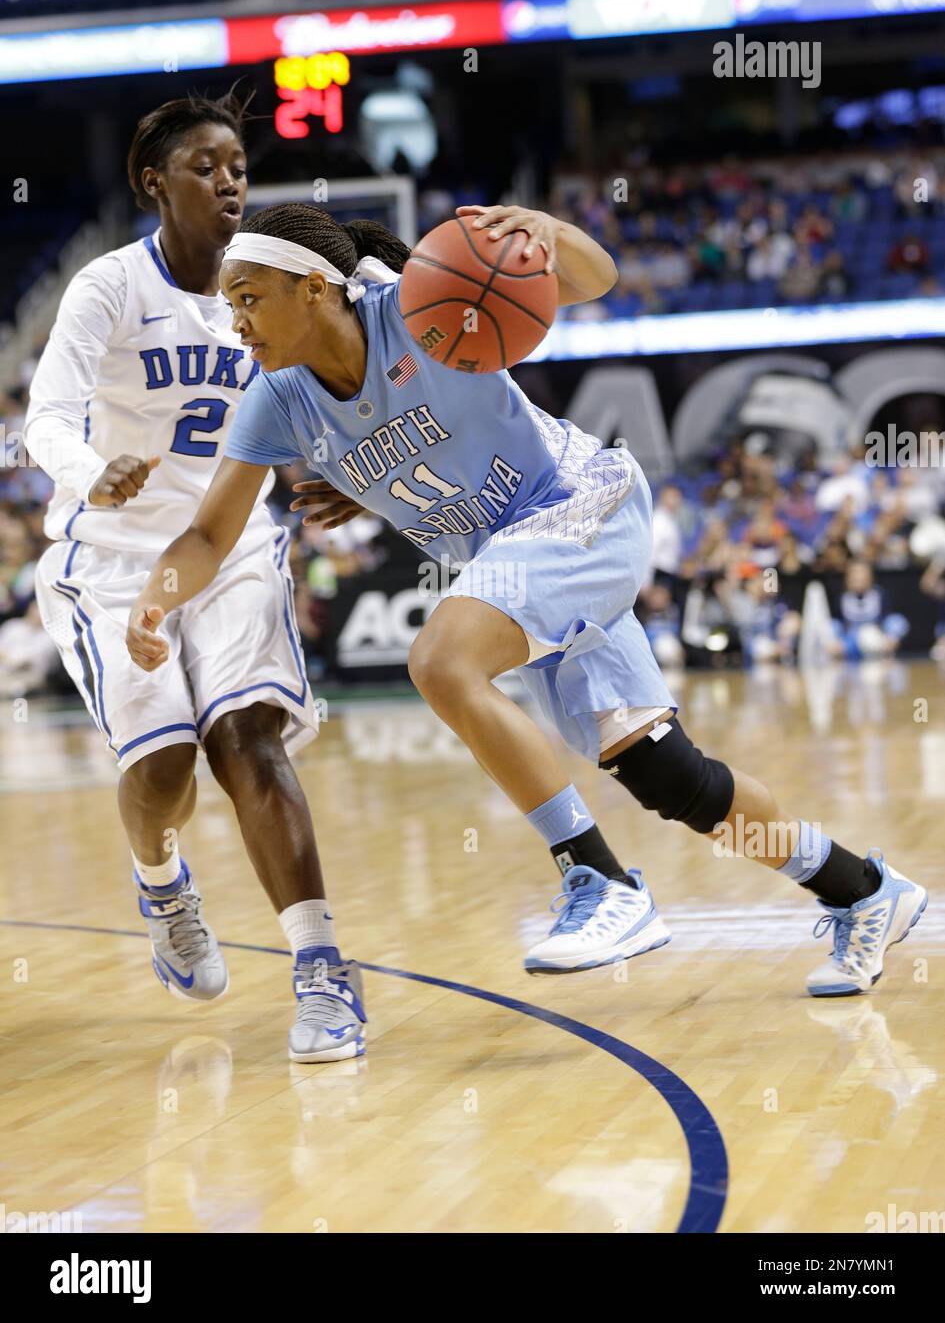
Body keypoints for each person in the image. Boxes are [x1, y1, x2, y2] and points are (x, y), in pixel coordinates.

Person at [126, 201, 927, 1001]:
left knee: (440, 661)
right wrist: (153, 602)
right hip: (511, 562)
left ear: (313, 288)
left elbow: (592, 279)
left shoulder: (416, 302)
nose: (234, 321)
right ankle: (861, 890)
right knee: (668, 777)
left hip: (580, 507)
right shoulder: (276, 403)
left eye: (248, 296)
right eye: (227, 304)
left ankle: (600, 879)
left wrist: (549, 234)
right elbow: (205, 536)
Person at [25, 95, 364, 1064]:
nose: (228, 182)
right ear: (153, 184)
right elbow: (43, 418)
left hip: (233, 543)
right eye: (206, 167)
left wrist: (352, 464)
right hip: (114, 559)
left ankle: (322, 969)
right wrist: (98, 471)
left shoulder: (263, 284)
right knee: (163, 771)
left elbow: (336, 372)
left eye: (238, 169)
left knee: (246, 736)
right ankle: (161, 878)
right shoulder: (107, 286)